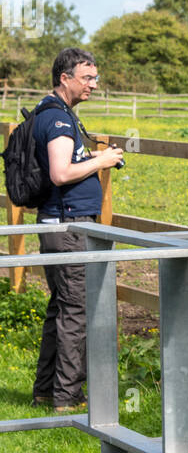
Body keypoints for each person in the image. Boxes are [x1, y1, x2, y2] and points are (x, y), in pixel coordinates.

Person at [31, 49, 124, 413]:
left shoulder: (51, 111)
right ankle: (67, 400)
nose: (94, 85)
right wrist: (101, 160)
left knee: (61, 308)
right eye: (87, 78)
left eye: (95, 78)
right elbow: (60, 173)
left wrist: (91, 158)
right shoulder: (58, 120)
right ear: (65, 78)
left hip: (58, 224)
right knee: (76, 312)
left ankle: (45, 391)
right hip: (69, 226)